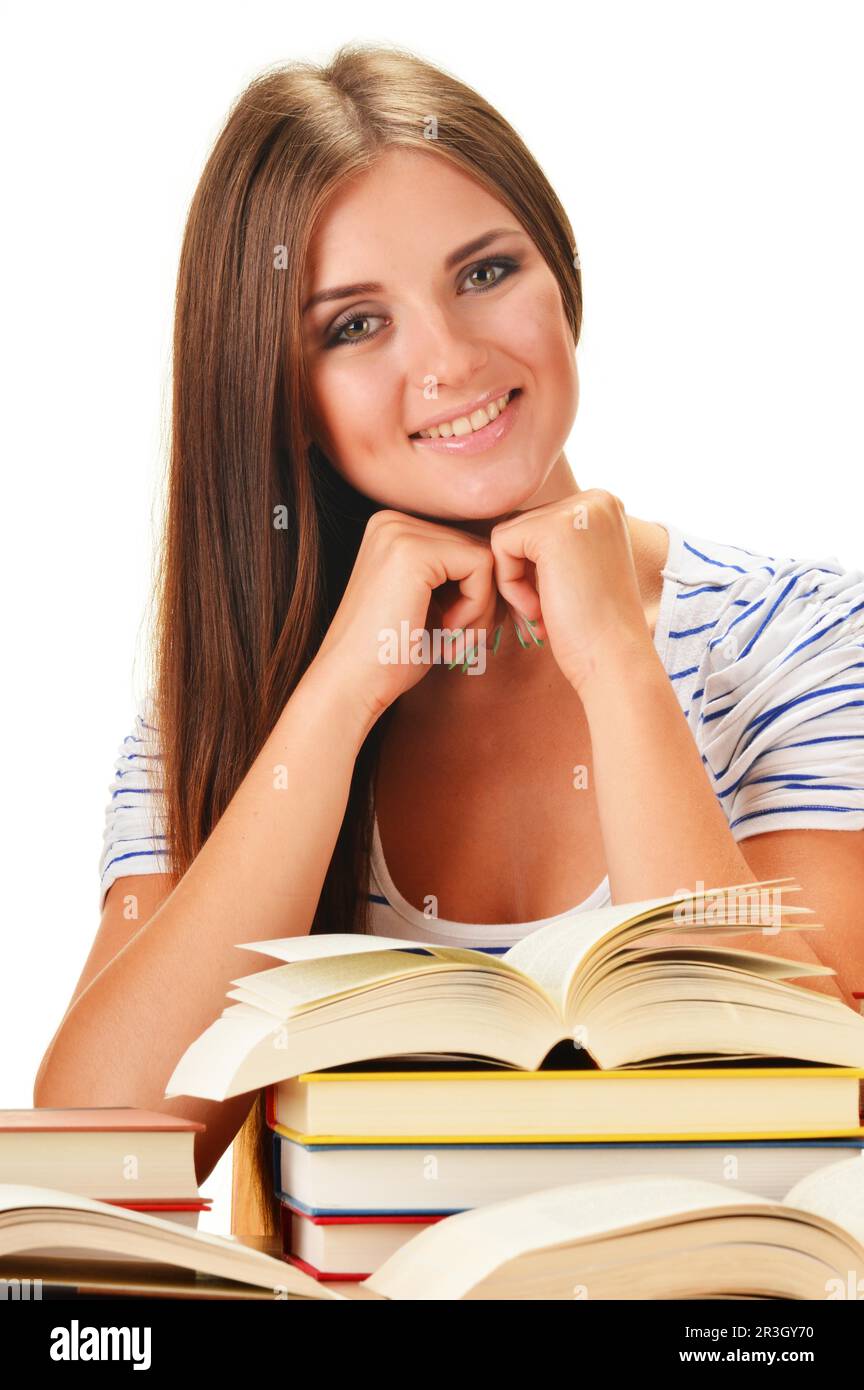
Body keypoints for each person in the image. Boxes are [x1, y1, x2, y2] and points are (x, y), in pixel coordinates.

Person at [34, 43, 864, 1240]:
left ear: (561, 276)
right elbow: (93, 1169)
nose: (451, 359)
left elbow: (796, 1099)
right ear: (280, 397)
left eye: (485, 271)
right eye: (355, 324)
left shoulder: (802, 640)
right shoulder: (224, 704)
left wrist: (620, 668)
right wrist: (334, 698)